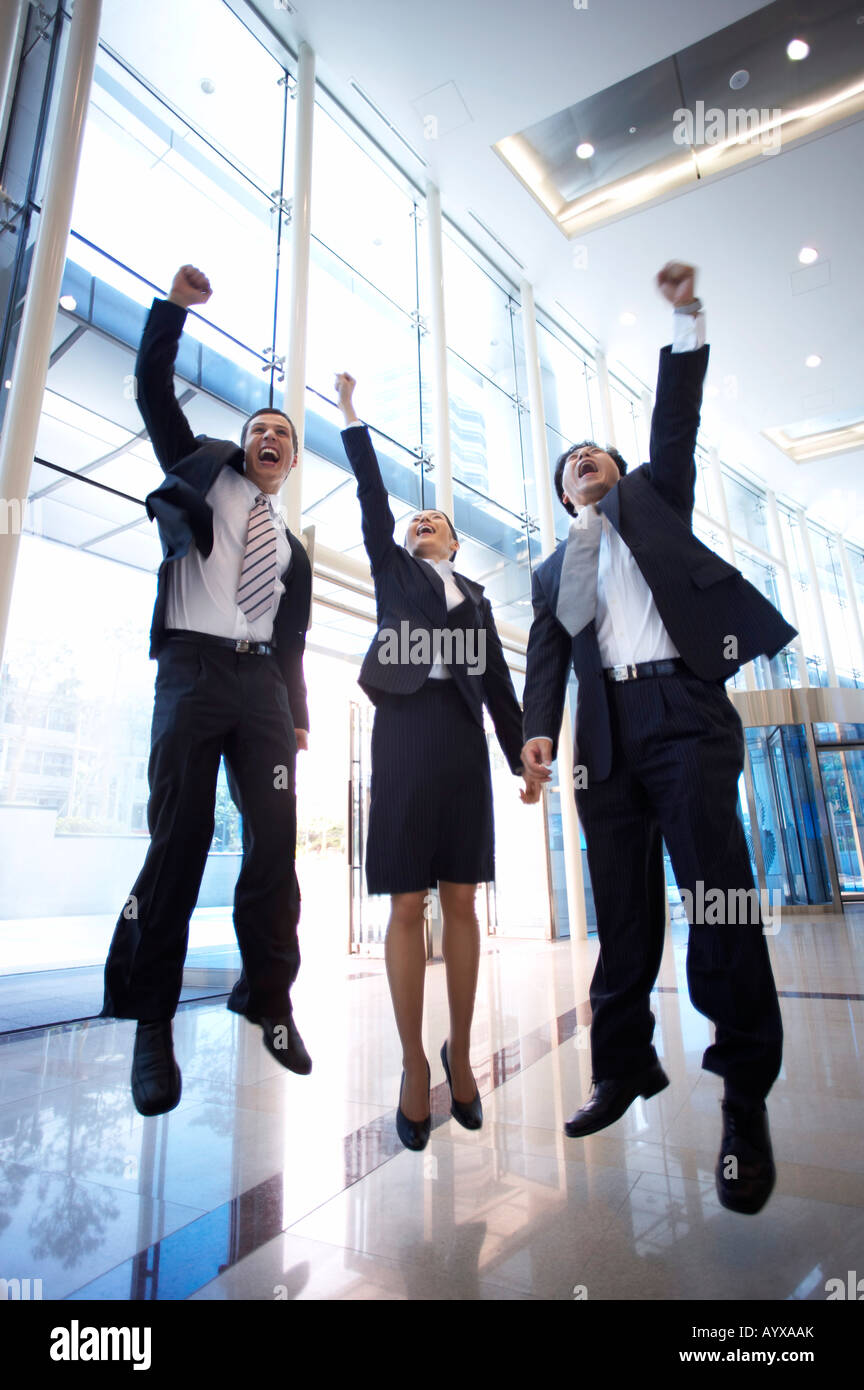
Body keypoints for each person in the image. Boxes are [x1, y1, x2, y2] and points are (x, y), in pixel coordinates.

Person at [521, 262, 797, 1215]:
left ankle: (743, 1090)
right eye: (570, 466)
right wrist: (535, 739)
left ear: (616, 473)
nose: (583, 465)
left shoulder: (652, 500)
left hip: (681, 712)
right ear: (563, 498)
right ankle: (624, 1066)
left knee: (716, 892)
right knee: (622, 911)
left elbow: (674, 422)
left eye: (594, 456)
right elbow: (547, 661)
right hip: (604, 743)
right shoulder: (554, 565)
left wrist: (686, 321)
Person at [101, 265, 313, 1116]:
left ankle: (269, 996)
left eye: (283, 436)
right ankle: (152, 1023)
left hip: (261, 689)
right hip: (191, 673)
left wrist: (295, 716)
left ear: (291, 462)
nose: (269, 438)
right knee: (177, 844)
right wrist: (175, 310)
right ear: (244, 442)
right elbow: (153, 388)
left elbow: (291, 643)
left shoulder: (290, 548)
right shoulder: (202, 470)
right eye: (260, 428)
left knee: (276, 847)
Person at [335, 371, 539, 1150]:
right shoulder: (395, 574)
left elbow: (497, 688)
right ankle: (414, 1065)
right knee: (403, 905)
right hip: (404, 739)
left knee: (461, 904)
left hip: (461, 749)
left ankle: (461, 1053)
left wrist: (522, 756)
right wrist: (354, 416)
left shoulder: (479, 604)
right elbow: (369, 496)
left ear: (454, 544)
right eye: (417, 518)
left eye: (437, 521)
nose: (423, 522)